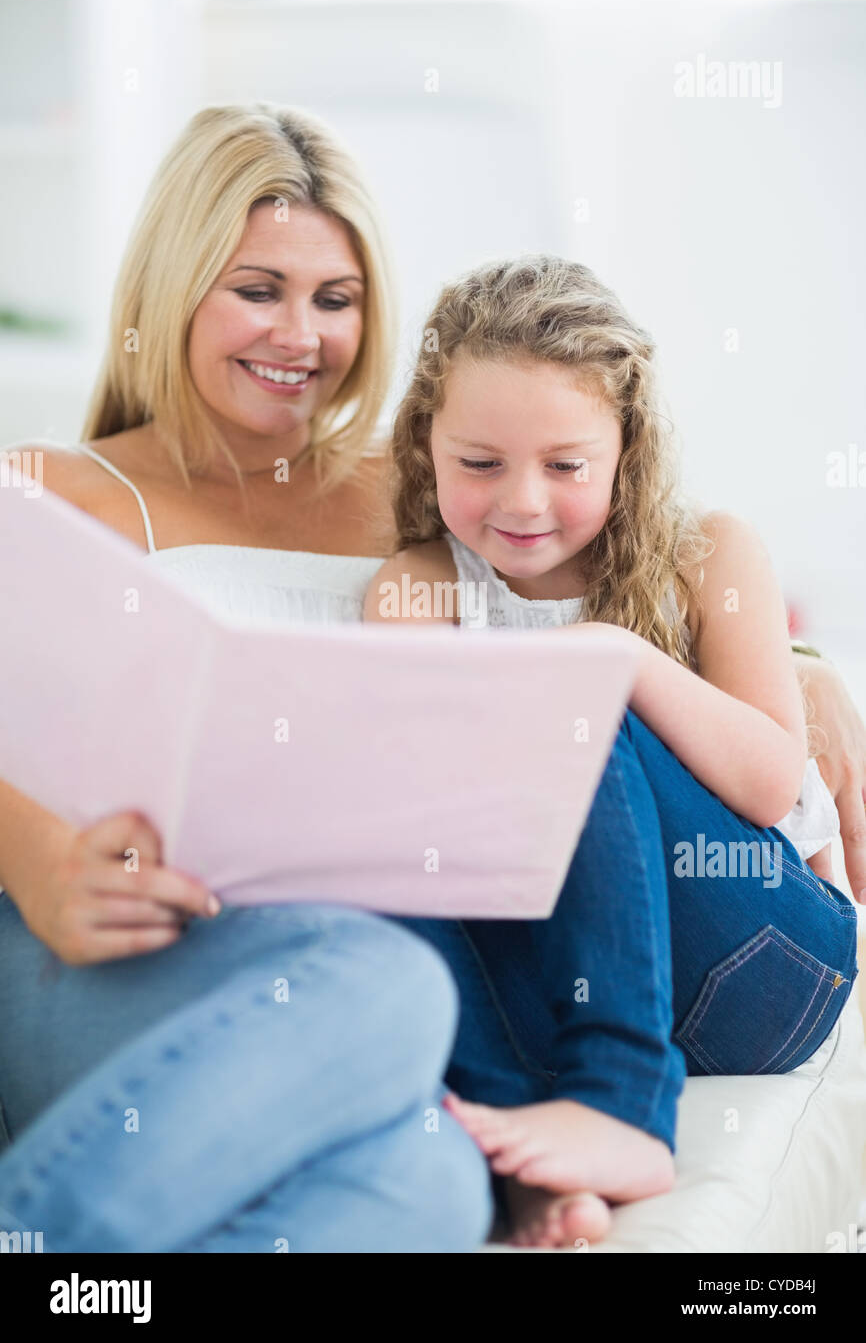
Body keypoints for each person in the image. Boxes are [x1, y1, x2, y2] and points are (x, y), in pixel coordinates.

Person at [0, 102, 493, 1253]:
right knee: (394, 986)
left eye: (336, 298)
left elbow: (613, 565)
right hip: (97, 950)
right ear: (176, 285)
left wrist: (802, 671)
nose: (301, 334)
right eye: (258, 288)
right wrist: (37, 864)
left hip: (337, 974)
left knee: (431, 1187)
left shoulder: (413, 488)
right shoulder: (47, 488)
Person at [363, 253, 862, 1248]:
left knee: (570, 699)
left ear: (625, 449)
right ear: (425, 445)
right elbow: (420, 825)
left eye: (564, 464)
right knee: (377, 858)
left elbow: (768, 781)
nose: (522, 500)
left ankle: (621, 1100)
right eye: (478, 462)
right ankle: (532, 1170)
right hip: (547, 988)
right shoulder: (414, 589)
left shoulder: (706, 553)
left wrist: (610, 658)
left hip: (756, 958)